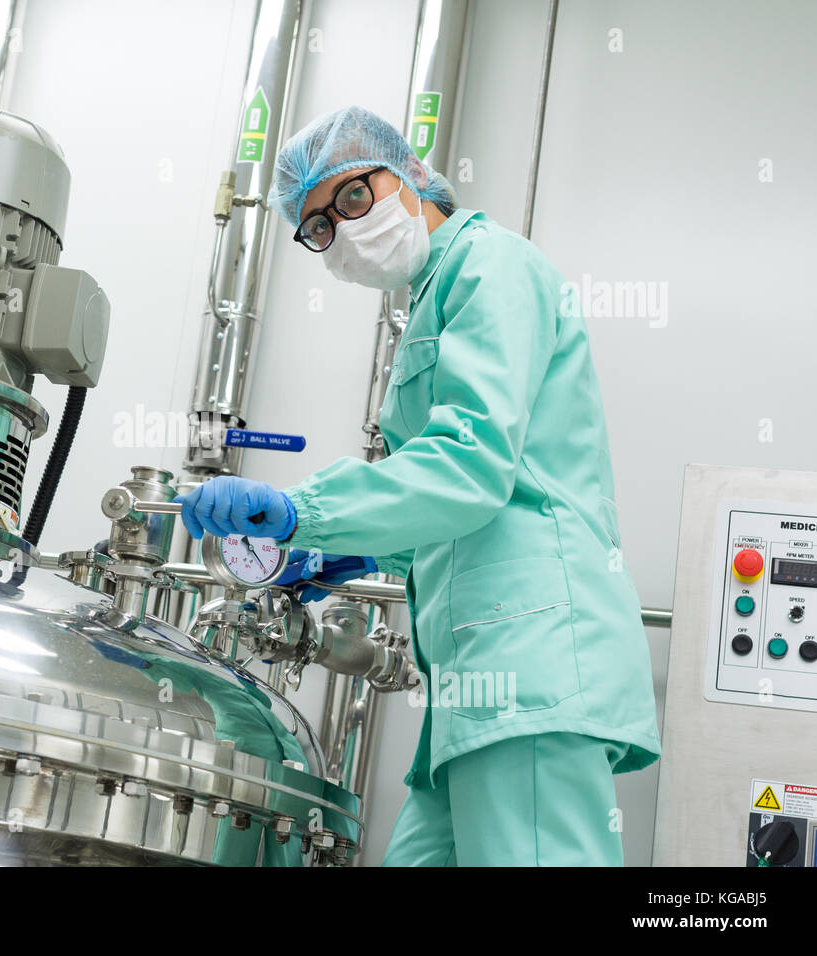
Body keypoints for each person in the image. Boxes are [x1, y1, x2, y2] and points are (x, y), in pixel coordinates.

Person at [175, 105, 660, 866]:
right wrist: (347, 557)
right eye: (319, 228)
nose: (340, 230)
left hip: (526, 669)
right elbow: (456, 520)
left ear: (411, 173)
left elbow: (470, 467)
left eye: (352, 199)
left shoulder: (490, 267)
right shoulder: (434, 296)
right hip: (474, 686)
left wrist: (307, 511)